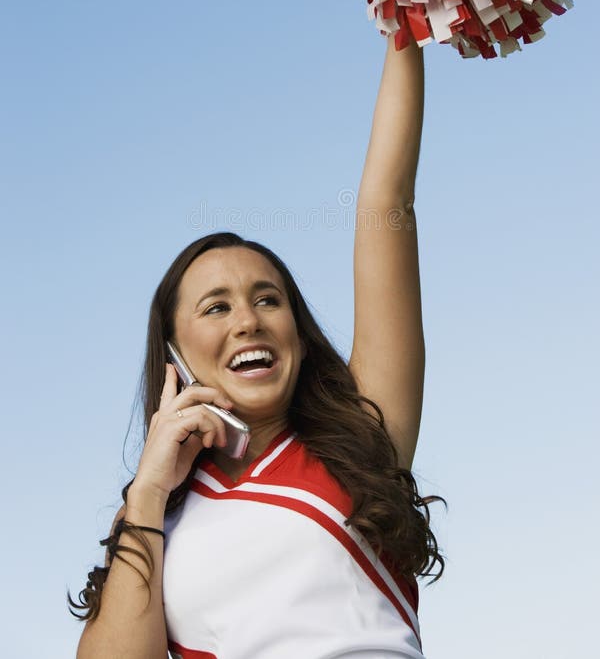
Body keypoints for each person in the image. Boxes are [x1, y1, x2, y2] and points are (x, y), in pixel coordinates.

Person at [71, 35, 446, 658]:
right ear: (176, 356)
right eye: (216, 307)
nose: (248, 320)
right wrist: (148, 491)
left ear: (297, 332)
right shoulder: (153, 514)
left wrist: (404, 20)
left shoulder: (361, 433)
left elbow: (387, 203)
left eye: (269, 300)